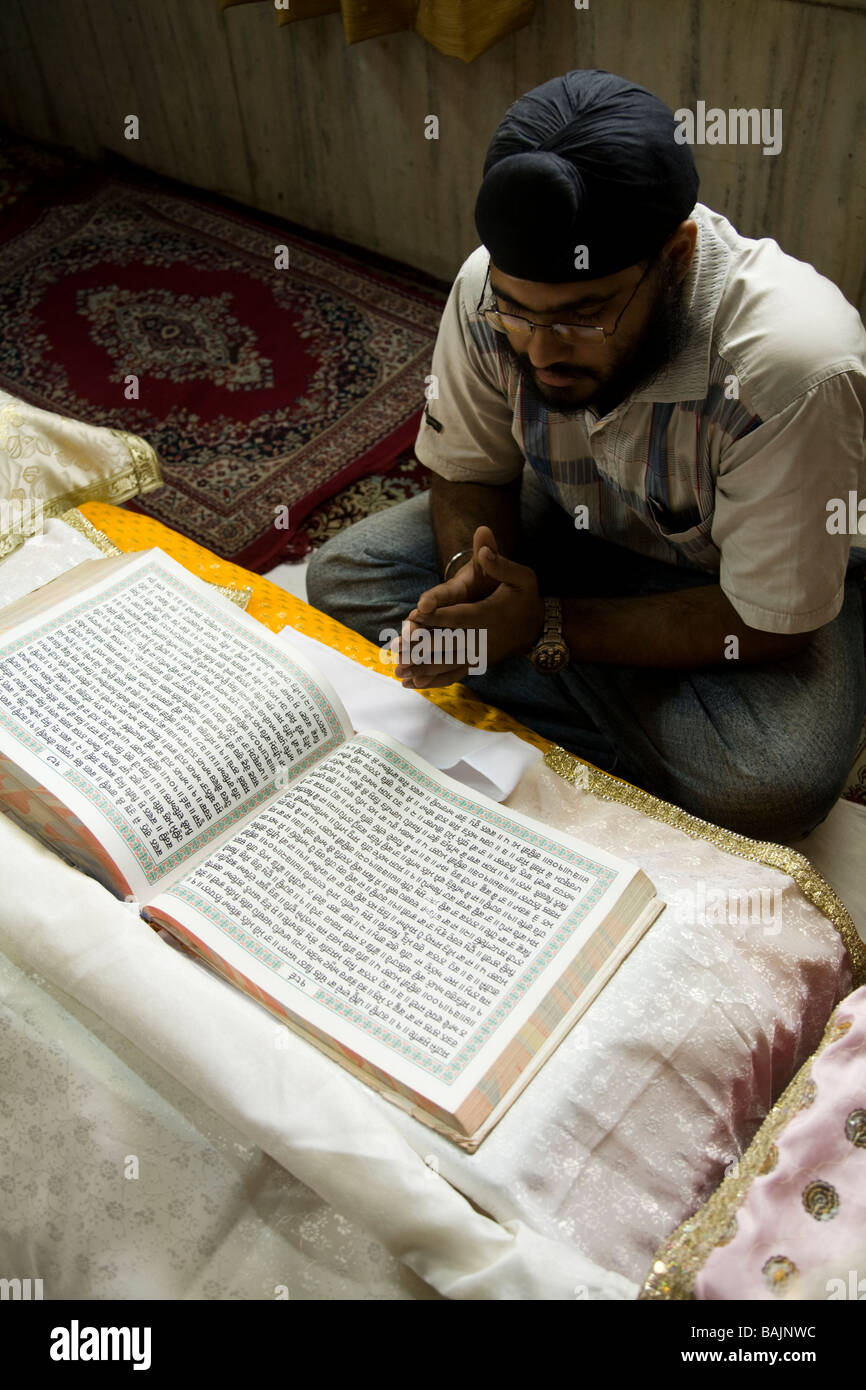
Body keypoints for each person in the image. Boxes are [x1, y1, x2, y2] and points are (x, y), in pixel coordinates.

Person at [307, 69, 866, 843]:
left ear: (676, 257)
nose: (542, 351)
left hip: (740, 585)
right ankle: (635, 723)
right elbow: (469, 470)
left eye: (583, 316)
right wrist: (474, 584)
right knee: (346, 577)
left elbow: (769, 623)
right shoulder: (483, 296)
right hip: (578, 521)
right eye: (521, 313)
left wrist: (543, 628)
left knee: (772, 785)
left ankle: (551, 688)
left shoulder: (792, 364)